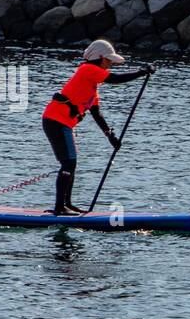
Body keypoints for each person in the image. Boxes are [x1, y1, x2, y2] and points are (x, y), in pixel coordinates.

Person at [41, 40, 154, 215]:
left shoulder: (92, 88)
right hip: (55, 121)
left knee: (71, 163)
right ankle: (59, 208)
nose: (110, 65)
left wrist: (110, 136)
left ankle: (67, 204)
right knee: (68, 163)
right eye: (109, 61)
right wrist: (141, 72)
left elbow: (96, 113)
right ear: (100, 57)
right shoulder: (87, 69)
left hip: (64, 124)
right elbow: (114, 79)